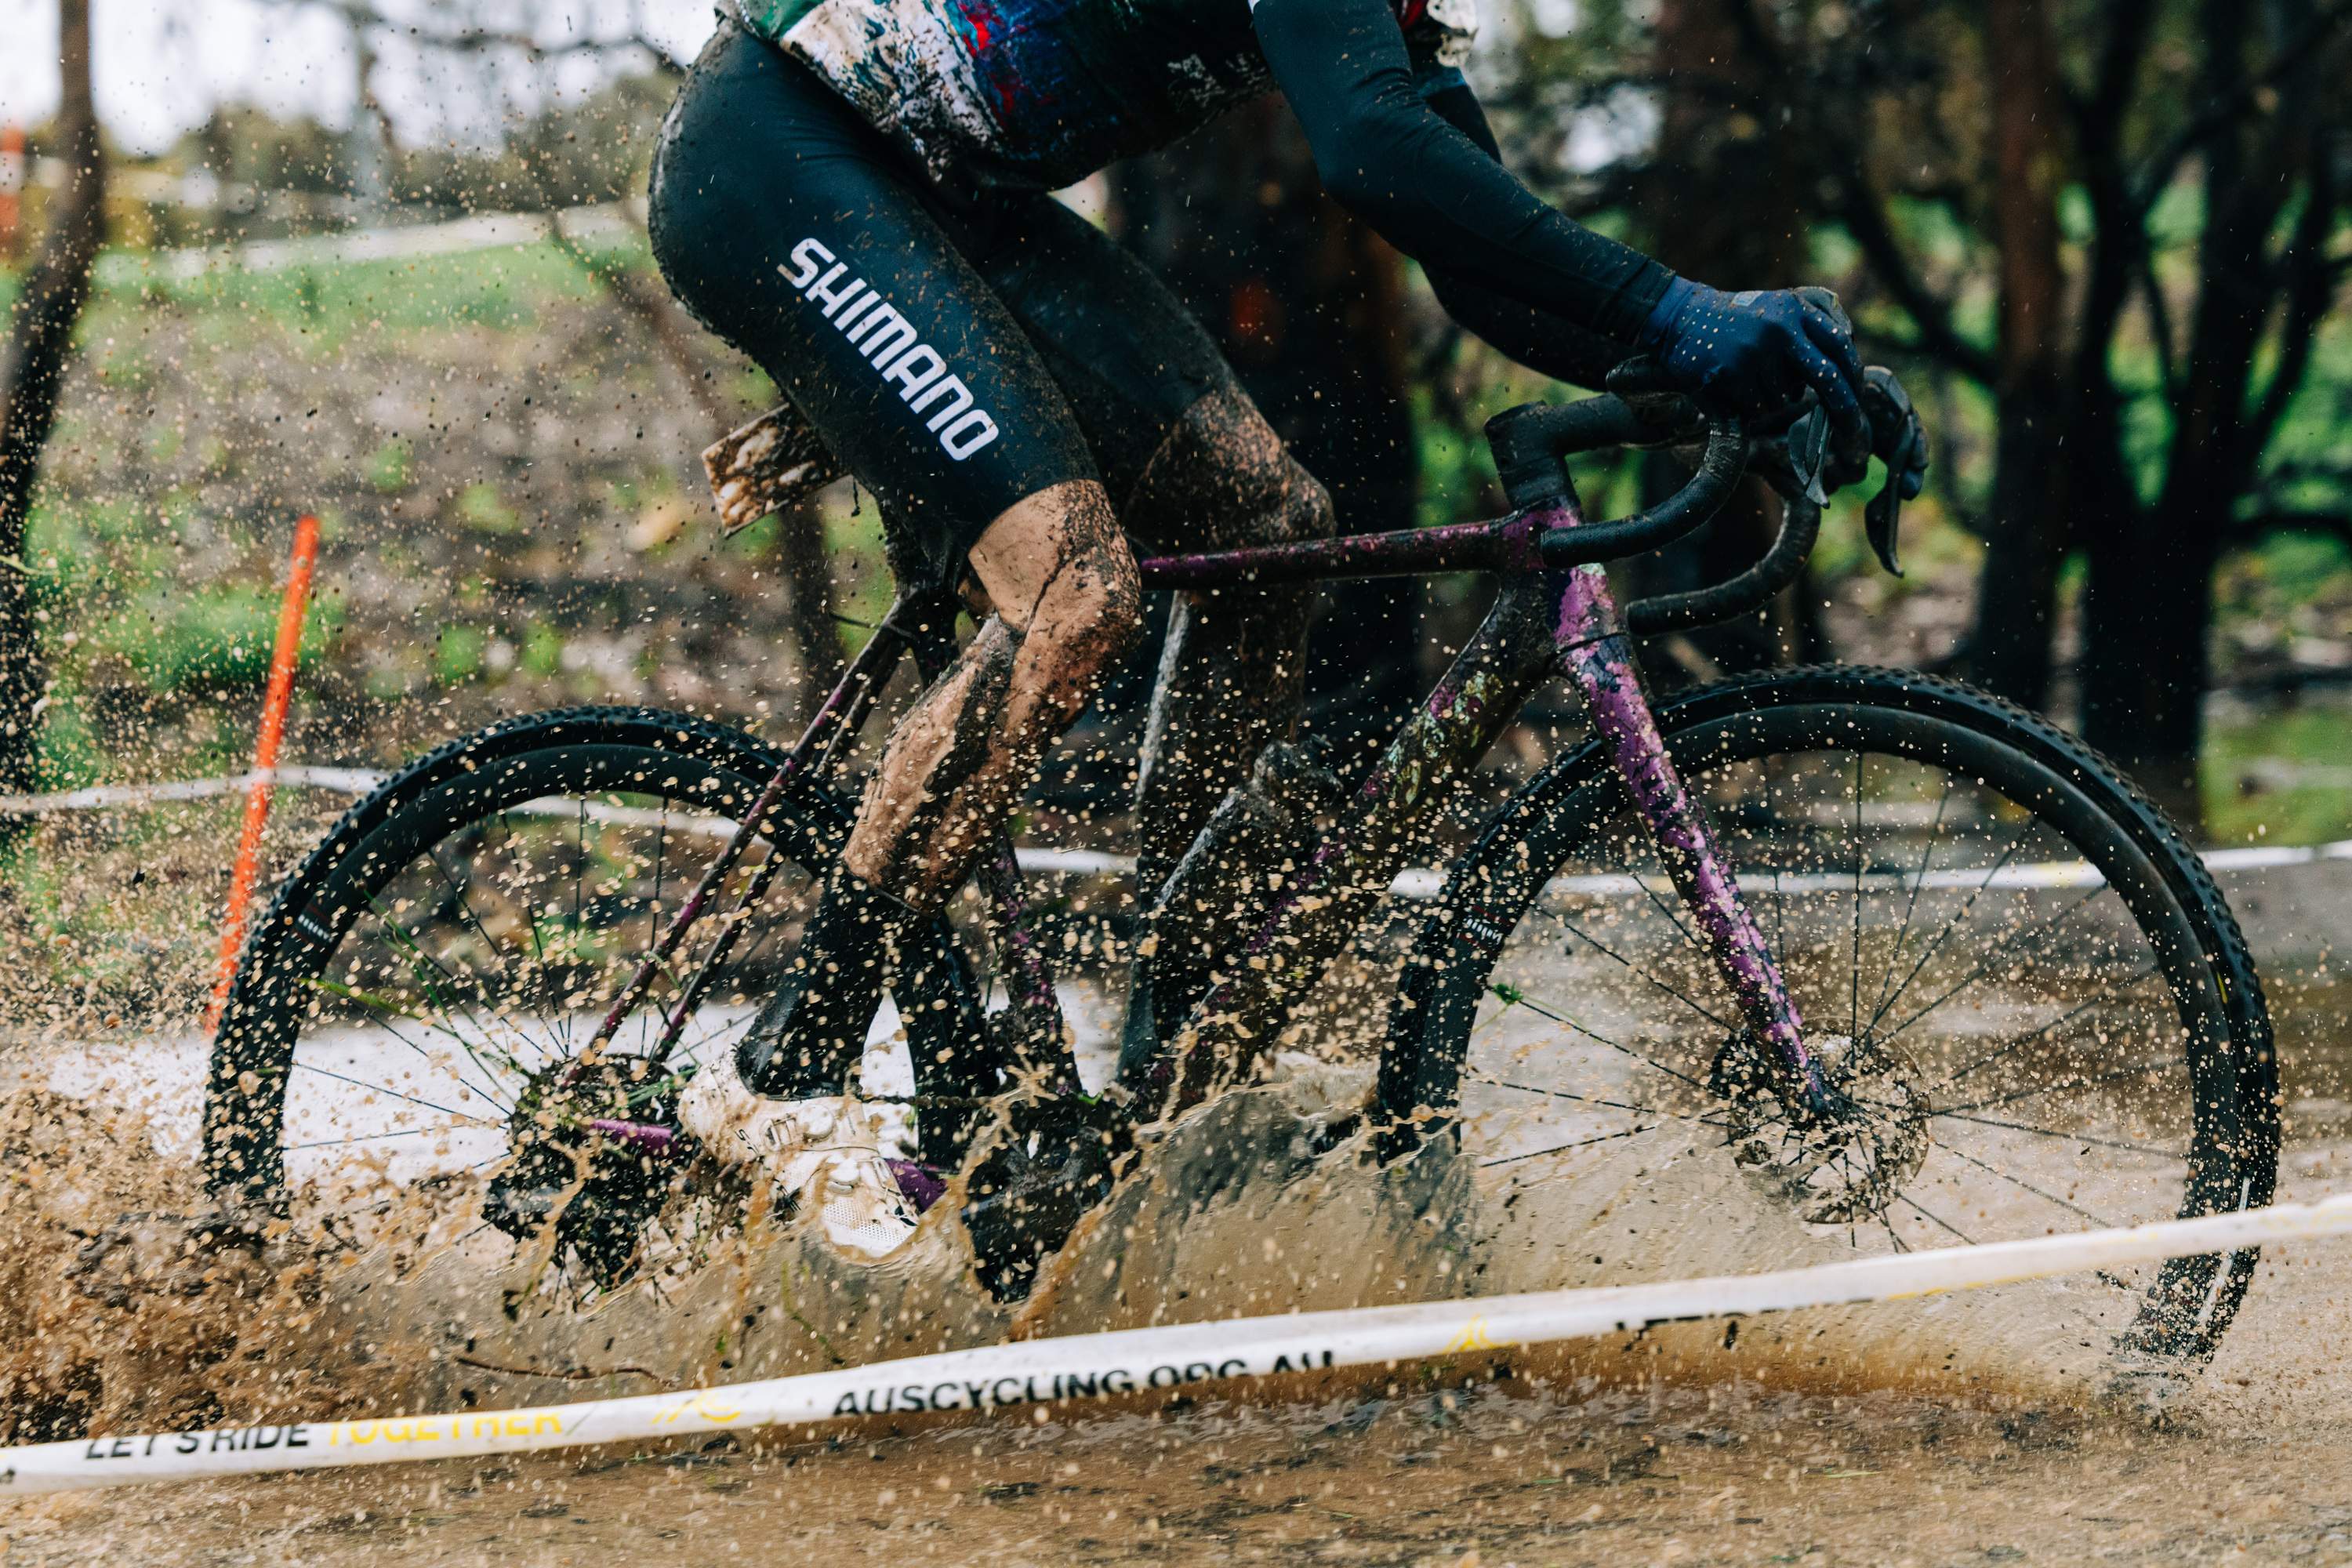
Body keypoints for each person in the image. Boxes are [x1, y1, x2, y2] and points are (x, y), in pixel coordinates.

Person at [652, 0, 1929, 1249]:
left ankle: (1169, 1044)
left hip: (940, 196)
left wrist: (1723, 357)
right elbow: (1374, 153)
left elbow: (1476, 251)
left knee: (1268, 521)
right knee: (1080, 596)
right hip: (785, 160)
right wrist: (1681, 316)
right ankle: (779, 1067)